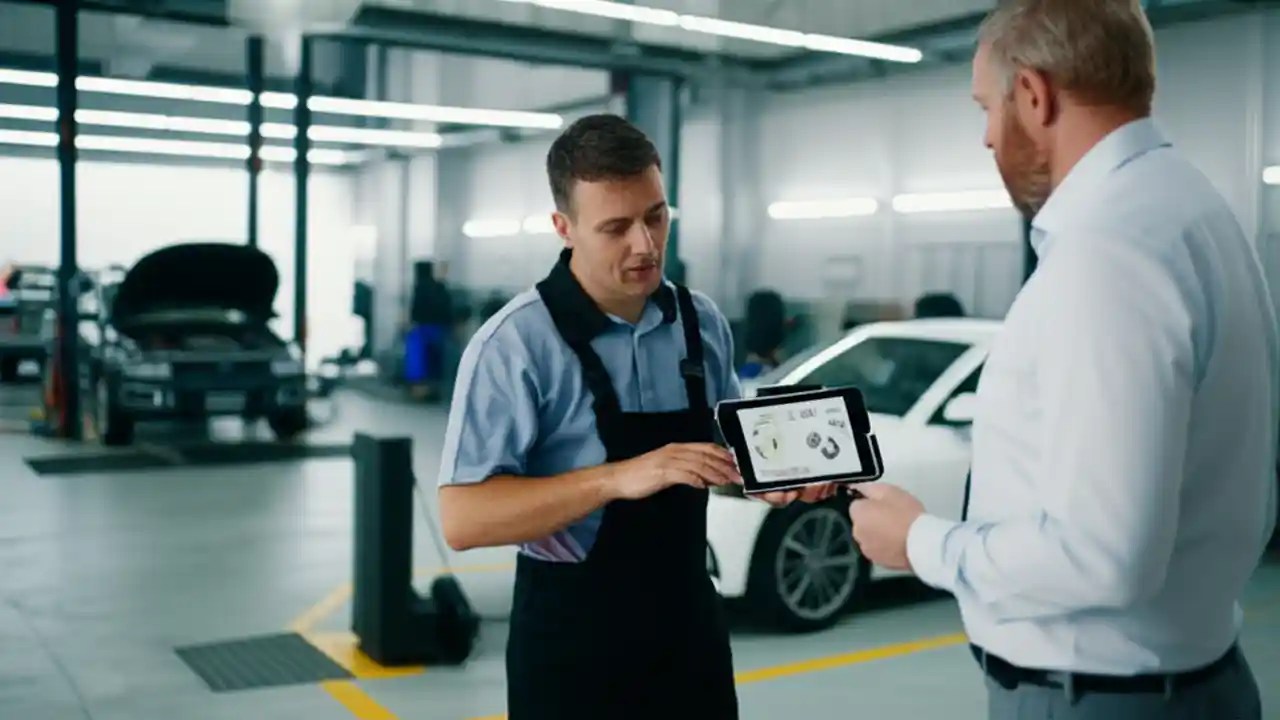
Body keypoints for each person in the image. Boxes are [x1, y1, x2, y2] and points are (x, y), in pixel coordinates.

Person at [848, 1, 1279, 718]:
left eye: (986, 108)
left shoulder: (1105, 255)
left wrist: (919, 542)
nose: (988, 137)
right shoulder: (1198, 213)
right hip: (1194, 680)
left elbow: (1101, 558)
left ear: (1033, 94)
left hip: (1099, 699)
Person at [436, 114, 826, 720]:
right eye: (616, 227)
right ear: (564, 228)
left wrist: (767, 480)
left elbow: (712, 458)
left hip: (688, 630)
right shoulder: (513, 346)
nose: (645, 245)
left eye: (656, 216)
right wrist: (618, 477)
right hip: (573, 643)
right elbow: (463, 519)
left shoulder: (702, 324)